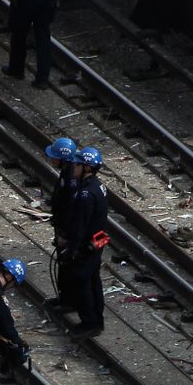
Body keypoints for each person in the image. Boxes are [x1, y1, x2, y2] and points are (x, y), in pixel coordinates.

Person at [57, 147, 110, 339]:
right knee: (93, 280)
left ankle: (90, 323)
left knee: (81, 283)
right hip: (98, 241)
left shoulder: (86, 194)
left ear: (86, 168)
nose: (74, 167)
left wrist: (71, 248)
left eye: (77, 164)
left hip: (86, 245)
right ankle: (97, 320)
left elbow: (80, 225)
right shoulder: (99, 187)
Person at [43, 137, 79, 314]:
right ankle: (65, 297)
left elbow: (71, 209)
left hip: (67, 230)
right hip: (62, 227)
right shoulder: (68, 172)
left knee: (67, 266)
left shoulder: (71, 178)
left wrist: (65, 234)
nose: (51, 159)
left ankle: (70, 301)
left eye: (54, 156)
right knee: (63, 265)